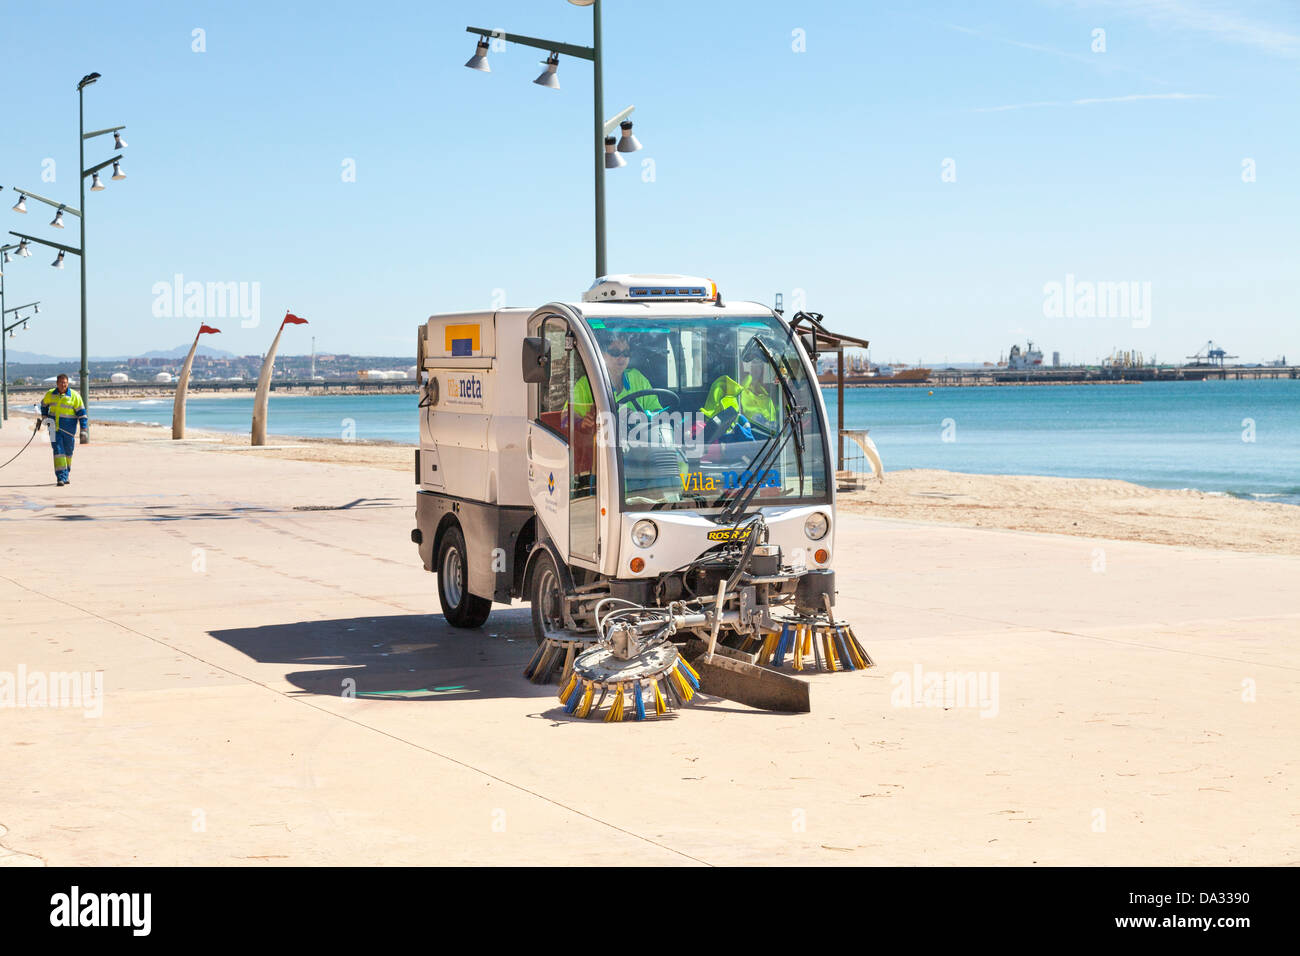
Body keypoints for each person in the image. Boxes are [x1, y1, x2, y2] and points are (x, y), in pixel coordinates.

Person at [568, 331, 663, 421]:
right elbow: (566, 420)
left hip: (637, 436)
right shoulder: (586, 383)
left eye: (626, 353)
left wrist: (640, 416)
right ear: (603, 354)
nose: (621, 358)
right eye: (615, 352)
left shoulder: (638, 378)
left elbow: (657, 411)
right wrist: (584, 423)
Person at [699, 352, 778, 440]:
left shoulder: (765, 396)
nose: (753, 366)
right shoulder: (723, 387)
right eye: (750, 362)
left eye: (758, 363)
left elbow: (774, 425)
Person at [38, 374, 88, 486]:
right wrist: (45, 416)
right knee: (58, 451)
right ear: (57, 383)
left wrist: (84, 429)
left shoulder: (75, 396)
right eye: (61, 382)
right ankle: (61, 477)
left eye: (65, 382)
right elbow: (43, 404)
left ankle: (66, 474)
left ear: (68, 383)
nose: (63, 384)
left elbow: (82, 414)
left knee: (68, 453)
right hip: (53, 428)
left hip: (69, 431)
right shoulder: (50, 394)